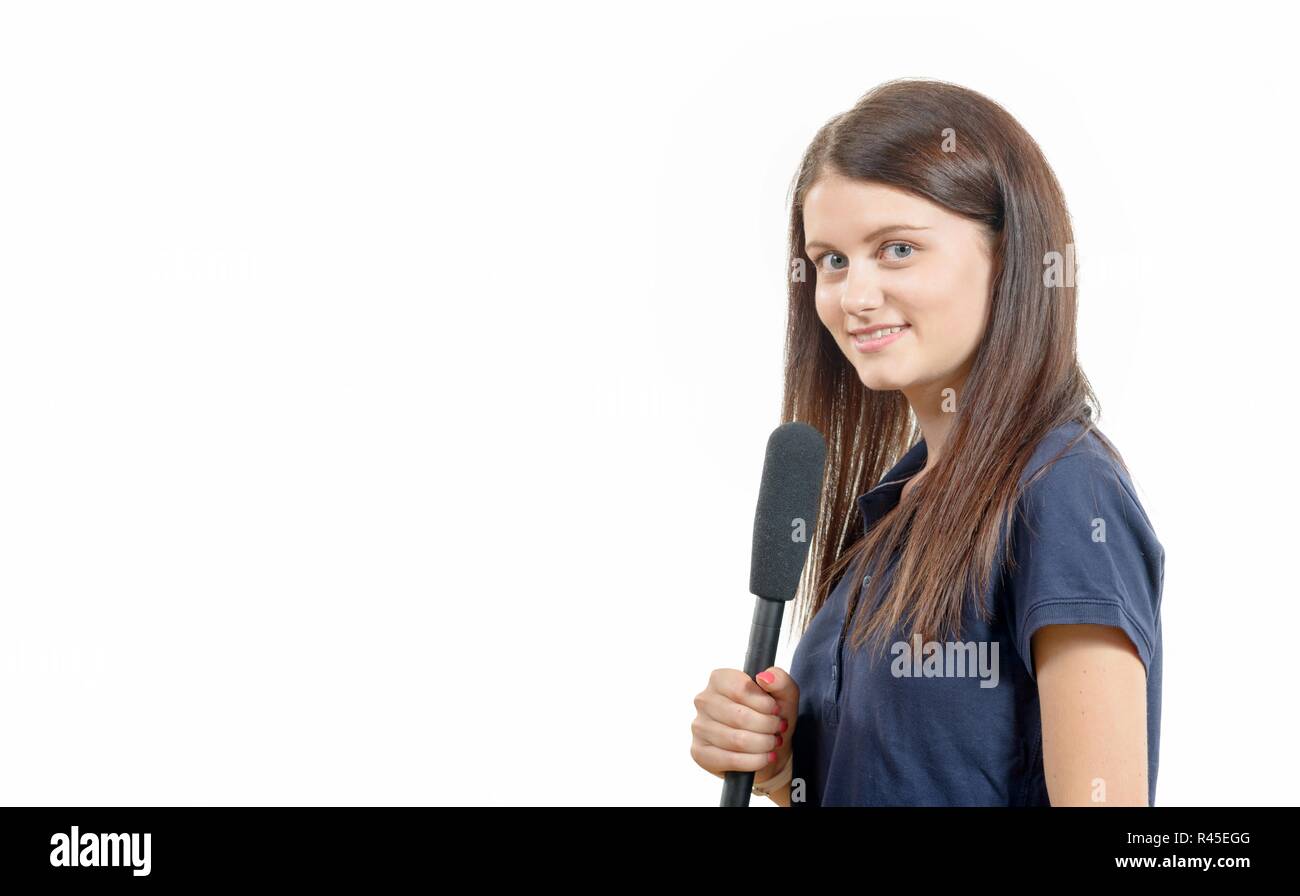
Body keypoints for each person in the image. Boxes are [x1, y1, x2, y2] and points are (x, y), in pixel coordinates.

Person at [689, 78, 1164, 806]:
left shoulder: (1064, 490)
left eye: (898, 249)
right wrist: (786, 768)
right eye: (832, 261)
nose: (853, 296)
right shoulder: (892, 509)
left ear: (1008, 257)